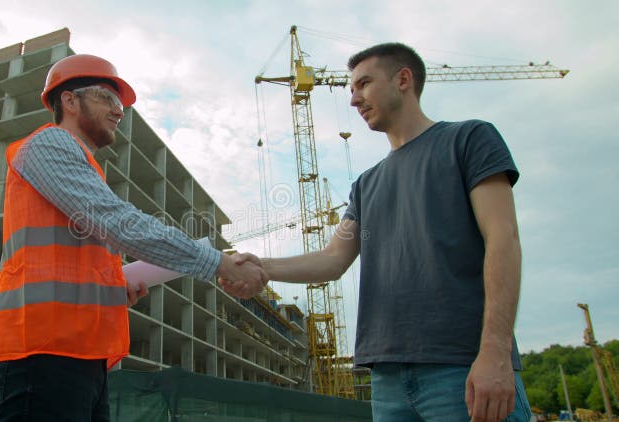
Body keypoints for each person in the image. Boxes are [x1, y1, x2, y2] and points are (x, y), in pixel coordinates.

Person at [222, 43, 531, 422]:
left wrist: (496, 352)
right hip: (387, 381)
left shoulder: (469, 139)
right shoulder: (366, 184)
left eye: (363, 84)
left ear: (403, 79)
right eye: (351, 89)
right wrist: (262, 265)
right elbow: (333, 259)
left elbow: (504, 240)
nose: (353, 99)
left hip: (463, 367)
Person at [0, 54, 267, 422]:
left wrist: (114, 287)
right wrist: (217, 262)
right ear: (69, 101)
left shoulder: (81, 166)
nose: (119, 111)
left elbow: (74, 261)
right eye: (109, 98)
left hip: (82, 356)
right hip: (42, 352)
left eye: (120, 104)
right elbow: (120, 223)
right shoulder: (48, 146)